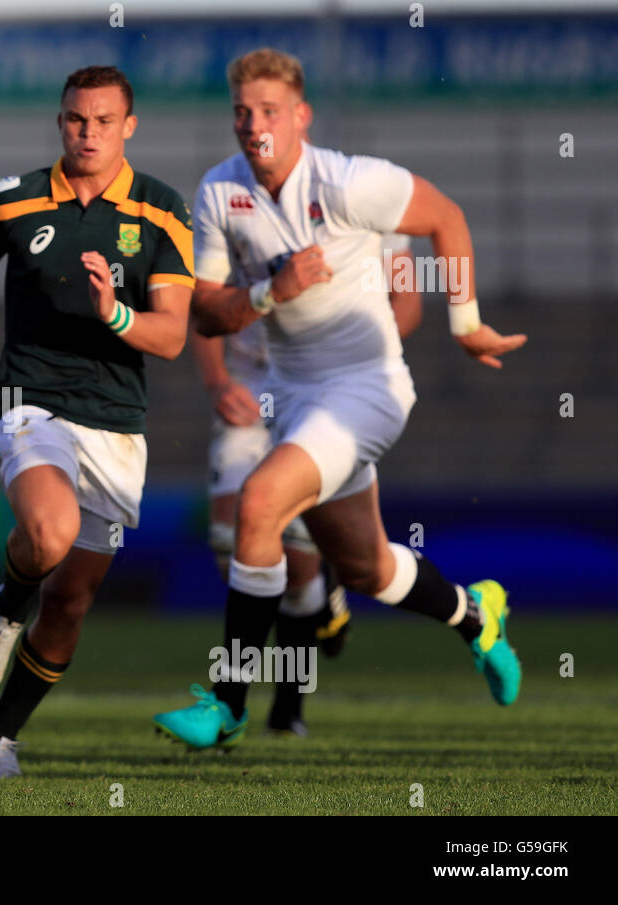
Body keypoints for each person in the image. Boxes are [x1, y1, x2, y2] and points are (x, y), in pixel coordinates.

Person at [152, 48, 526, 751]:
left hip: (369, 387)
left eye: (268, 112)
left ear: (300, 117)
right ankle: (478, 616)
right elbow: (204, 313)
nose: (253, 125)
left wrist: (467, 324)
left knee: (260, 505)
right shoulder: (218, 192)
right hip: (295, 399)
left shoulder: (352, 181)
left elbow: (446, 217)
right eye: (242, 111)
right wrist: (272, 290)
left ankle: (229, 703)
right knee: (366, 567)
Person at [0, 66, 193, 776]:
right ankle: (6, 607)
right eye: (77, 120)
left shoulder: (164, 211)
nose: (89, 133)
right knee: (46, 535)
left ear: (128, 126)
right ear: (60, 122)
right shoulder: (11, 200)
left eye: (104, 121)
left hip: (116, 421)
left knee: (74, 601)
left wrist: (114, 311)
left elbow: (171, 336)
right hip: (32, 403)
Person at [191, 233, 421, 736]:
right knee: (232, 547)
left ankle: (285, 709)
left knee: (296, 561)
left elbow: (407, 295)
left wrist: (367, 362)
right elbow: (202, 304)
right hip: (252, 388)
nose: (259, 149)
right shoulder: (233, 200)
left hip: (321, 390)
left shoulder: (360, 201)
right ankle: (322, 595)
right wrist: (217, 382)